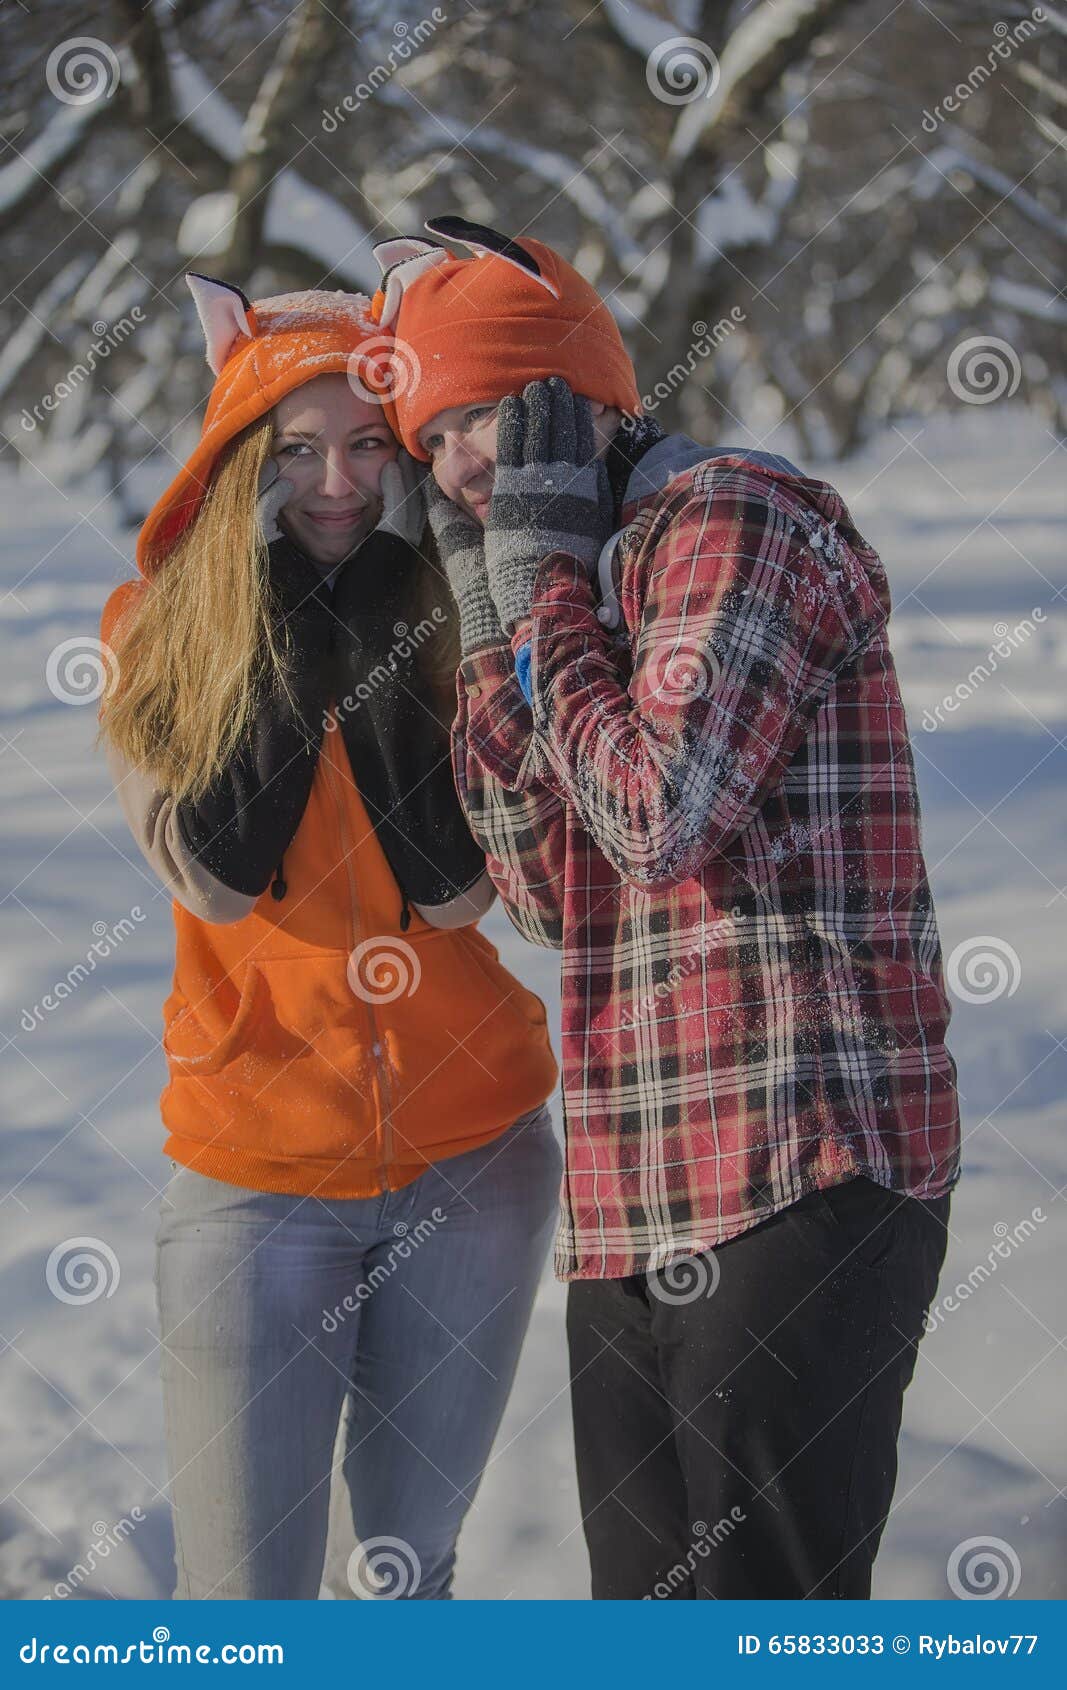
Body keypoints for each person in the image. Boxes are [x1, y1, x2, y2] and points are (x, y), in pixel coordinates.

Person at [371, 217, 962, 1599]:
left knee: (771, 1622)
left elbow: (657, 812)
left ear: (568, 407)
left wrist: (545, 606)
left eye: (481, 422)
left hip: (799, 1165)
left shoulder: (734, 521)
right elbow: (542, 890)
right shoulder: (565, 577)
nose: (460, 468)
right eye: (432, 443)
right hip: (637, 1190)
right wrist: (495, 644)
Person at [95, 275, 561, 1600]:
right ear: (244, 461)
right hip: (256, 1179)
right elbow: (215, 874)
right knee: (245, 1605)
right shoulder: (155, 631)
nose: (337, 484)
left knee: (410, 1583)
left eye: (365, 443)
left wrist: (404, 632)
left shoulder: (461, 612)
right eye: (293, 450)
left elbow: (471, 891)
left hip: (477, 1158)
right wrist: (289, 638)